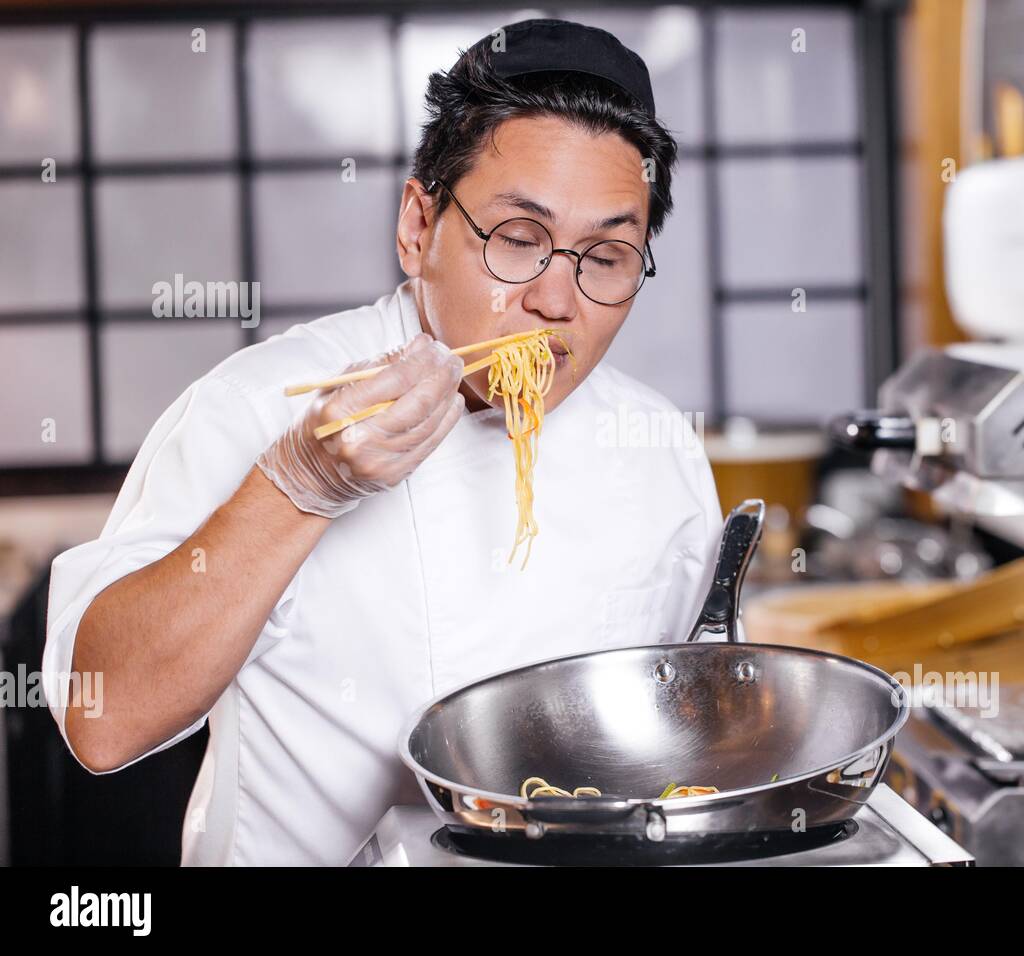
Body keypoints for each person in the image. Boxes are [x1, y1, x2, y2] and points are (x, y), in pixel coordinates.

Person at [43, 18, 722, 865]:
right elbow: (100, 721)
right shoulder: (260, 406)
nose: (557, 299)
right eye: (518, 239)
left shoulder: (658, 451)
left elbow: (676, 738)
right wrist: (298, 483)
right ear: (417, 224)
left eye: (608, 255)